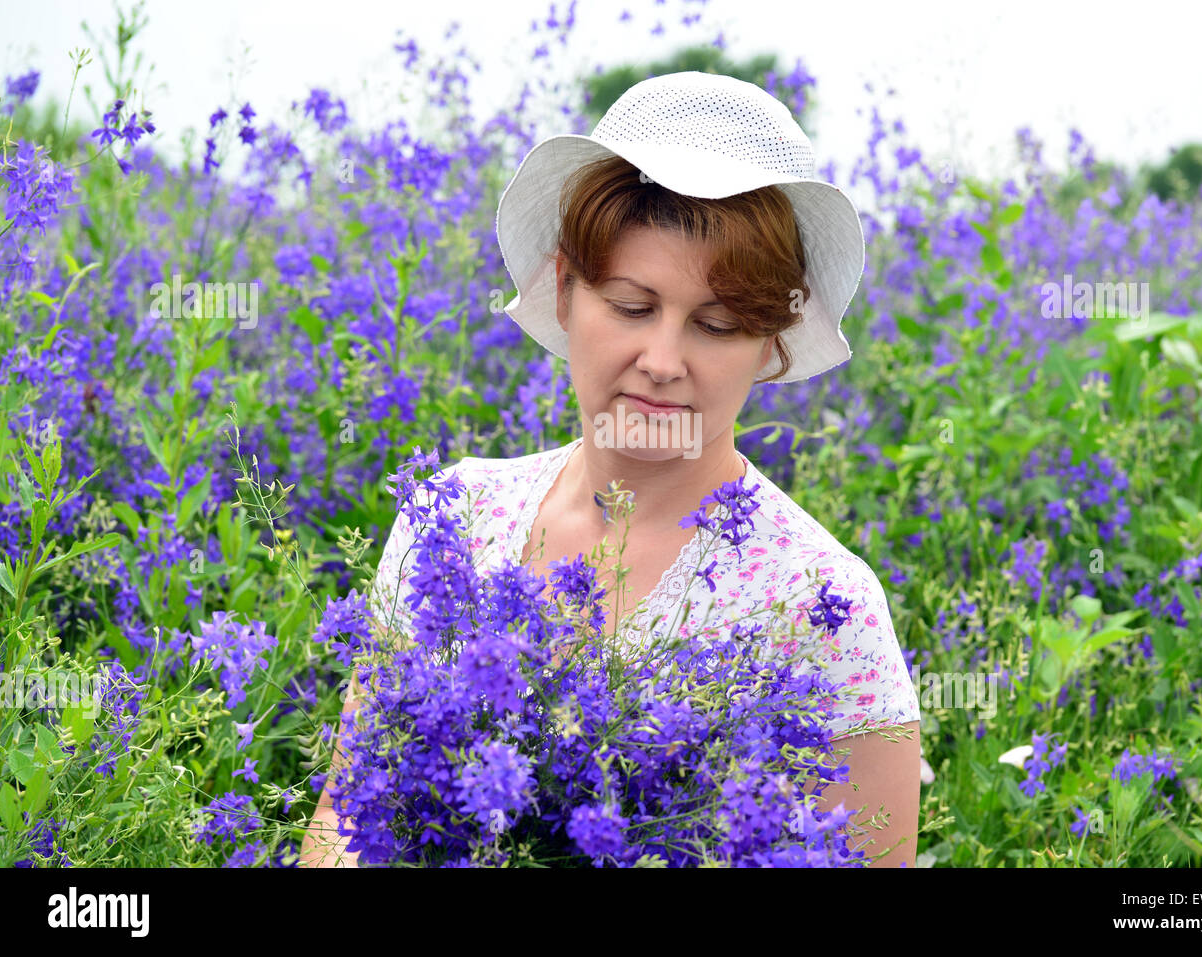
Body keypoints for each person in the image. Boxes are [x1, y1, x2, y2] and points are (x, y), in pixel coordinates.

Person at [301, 71, 921, 868]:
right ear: (563, 290)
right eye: (632, 306)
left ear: (771, 343)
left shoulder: (821, 604)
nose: (662, 361)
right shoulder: (451, 519)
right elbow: (343, 820)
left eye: (718, 324)